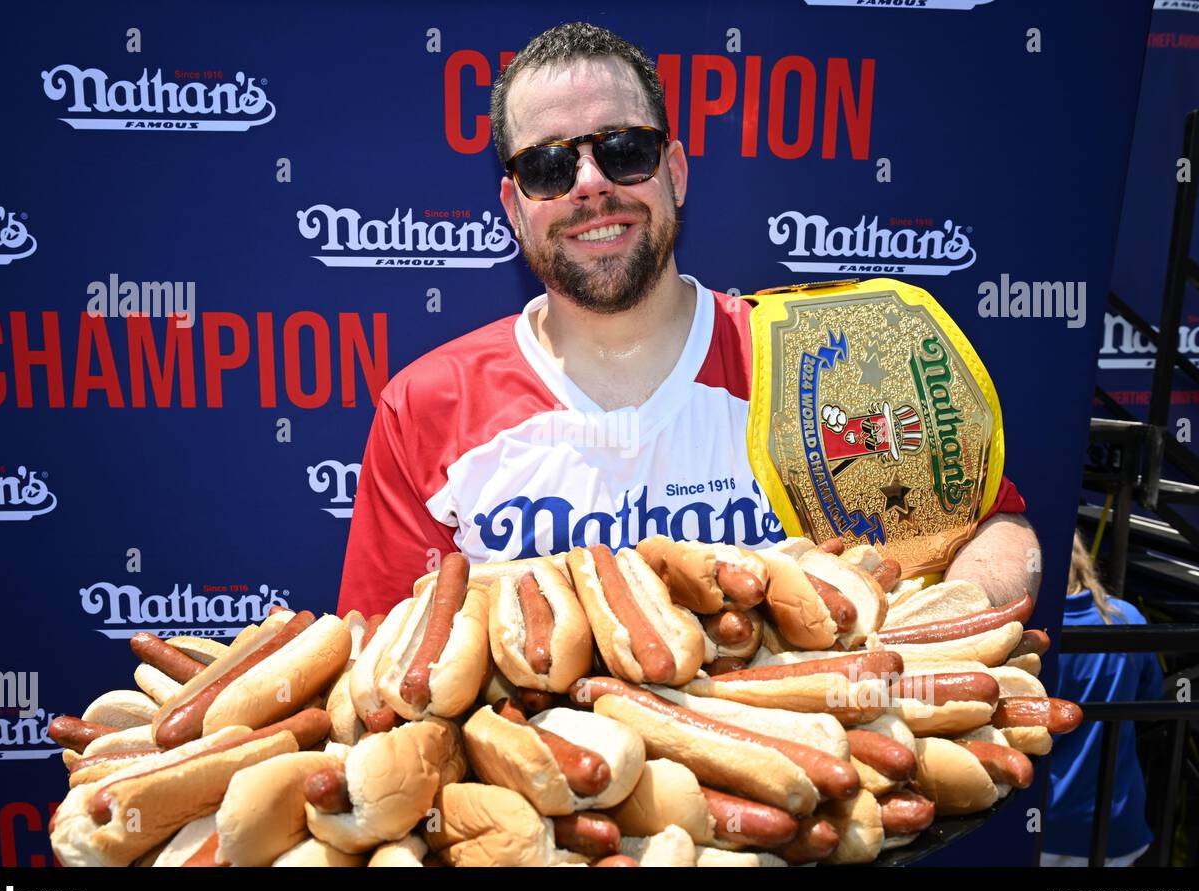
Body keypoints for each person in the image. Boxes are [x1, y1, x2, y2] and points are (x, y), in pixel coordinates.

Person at [337, 21, 1039, 618]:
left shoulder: (830, 359)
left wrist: (944, 631)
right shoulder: (426, 405)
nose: (592, 184)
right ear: (515, 206)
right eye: (550, 166)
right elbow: (382, 646)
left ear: (674, 171)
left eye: (624, 151)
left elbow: (994, 529)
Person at [1041, 529, 1163, 866]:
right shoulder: (1129, 619)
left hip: (1040, 821)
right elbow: (1152, 702)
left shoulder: (1034, 633)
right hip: (1115, 824)